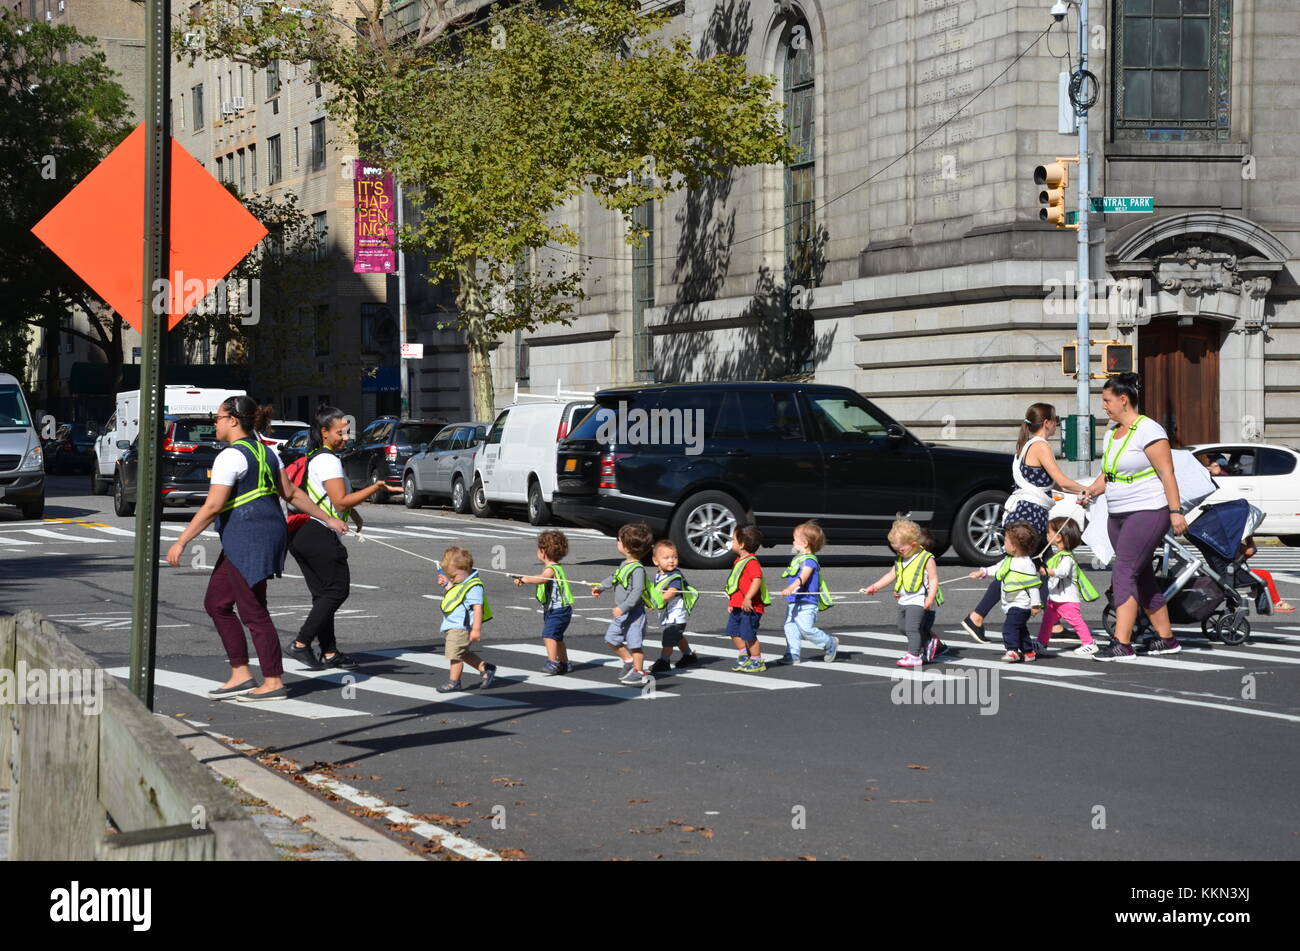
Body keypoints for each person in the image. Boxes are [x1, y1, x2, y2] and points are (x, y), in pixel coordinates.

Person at [165, 395, 347, 701]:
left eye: (218, 417)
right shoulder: (266, 452)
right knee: (217, 603)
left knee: (253, 610)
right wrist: (327, 517)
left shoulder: (231, 456)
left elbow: (213, 506)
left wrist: (182, 541)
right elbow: (291, 493)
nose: (215, 422)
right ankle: (241, 673)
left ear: (233, 420)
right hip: (260, 534)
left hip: (248, 538)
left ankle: (273, 680)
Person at [284, 404, 401, 670]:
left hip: (303, 534)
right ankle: (301, 643)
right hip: (318, 534)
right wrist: (375, 487)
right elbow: (339, 500)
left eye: (346, 432)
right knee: (337, 590)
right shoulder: (328, 460)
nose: (346, 437)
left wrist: (354, 514)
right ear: (324, 432)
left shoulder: (315, 456)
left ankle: (329, 652)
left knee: (322, 595)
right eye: (340, 432)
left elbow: (330, 499)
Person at [961, 404, 1091, 643]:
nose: (1056, 425)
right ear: (1047, 423)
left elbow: (1053, 484)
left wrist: (1078, 492)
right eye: (1056, 420)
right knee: (1028, 567)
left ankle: (1054, 624)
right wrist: (1087, 490)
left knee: (1040, 564)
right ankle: (977, 616)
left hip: (1024, 512)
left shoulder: (1025, 445)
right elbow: (1060, 480)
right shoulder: (1041, 446)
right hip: (1030, 515)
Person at [1080, 372, 1187, 661]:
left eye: (1107, 400)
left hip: (1149, 510)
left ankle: (1122, 643)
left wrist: (1176, 511)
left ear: (1123, 400)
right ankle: (1167, 639)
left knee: (1124, 571)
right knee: (1142, 578)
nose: (1103, 405)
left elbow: (1167, 473)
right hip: (1117, 513)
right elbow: (1110, 475)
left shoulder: (1149, 430)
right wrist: (1090, 491)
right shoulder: (1112, 433)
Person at [864, 519, 944, 667]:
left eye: (901, 549)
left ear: (913, 544)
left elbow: (933, 580)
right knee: (902, 627)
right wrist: (875, 587)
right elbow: (890, 575)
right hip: (904, 600)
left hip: (919, 600)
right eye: (896, 549)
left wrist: (930, 598)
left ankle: (914, 655)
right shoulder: (901, 559)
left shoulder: (926, 558)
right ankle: (930, 643)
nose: (898, 552)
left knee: (912, 628)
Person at [968, 521, 1042, 662]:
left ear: (1014, 547)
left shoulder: (1026, 564)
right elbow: (996, 568)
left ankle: (1012, 650)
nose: (1004, 544)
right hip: (1011, 603)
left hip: (1021, 605)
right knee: (1020, 629)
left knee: (1009, 627)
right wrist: (981, 572)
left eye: (1006, 541)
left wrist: (1036, 604)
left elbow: (1033, 585)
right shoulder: (1009, 560)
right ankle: (1028, 652)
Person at [591, 522, 655, 686]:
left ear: (627, 547)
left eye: (618, 540)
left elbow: (637, 591)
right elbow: (615, 577)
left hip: (634, 614)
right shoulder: (624, 564)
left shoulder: (637, 569)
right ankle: (628, 661)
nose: (617, 542)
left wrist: (623, 607)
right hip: (624, 613)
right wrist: (601, 587)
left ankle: (638, 672)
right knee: (611, 638)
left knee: (635, 644)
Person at [435, 546, 497, 692]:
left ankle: (454, 682)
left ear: (464, 569)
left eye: (453, 576)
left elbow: (477, 607)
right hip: (454, 625)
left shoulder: (474, 586)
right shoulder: (462, 582)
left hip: (461, 627)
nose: (452, 578)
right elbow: (458, 596)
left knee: (454, 655)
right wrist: (448, 585)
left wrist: (476, 629)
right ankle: (485, 668)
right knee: (462, 652)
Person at [1036, 515, 1101, 655]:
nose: (1046, 534)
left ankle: (1089, 642)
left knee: (1076, 621)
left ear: (1058, 537)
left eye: (1049, 532)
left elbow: (1062, 572)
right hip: (1055, 599)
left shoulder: (1067, 557)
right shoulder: (1059, 556)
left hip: (1067, 599)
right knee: (1047, 622)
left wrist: (1048, 571)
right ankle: (1041, 643)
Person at [513, 529, 575, 675]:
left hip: (558, 610)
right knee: (557, 638)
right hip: (557, 609)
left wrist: (525, 579)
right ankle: (565, 663)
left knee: (549, 635)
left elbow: (542, 578)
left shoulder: (551, 568)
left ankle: (553, 662)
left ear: (543, 551)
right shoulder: (554, 567)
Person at [778, 521, 838, 665]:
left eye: (795, 539)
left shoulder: (810, 561)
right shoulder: (799, 558)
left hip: (807, 602)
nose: (792, 542)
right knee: (790, 627)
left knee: (806, 629)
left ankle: (829, 643)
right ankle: (793, 654)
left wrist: (790, 588)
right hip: (794, 601)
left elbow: (803, 578)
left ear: (804, 543)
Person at [648, 540, 702, 673]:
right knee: (677, 637)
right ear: (656, 561)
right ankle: (689, 655)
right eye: (666, 558)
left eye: (675, 557)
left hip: (676, 615)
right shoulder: (659, 575)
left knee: (668, 638)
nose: (671, 561)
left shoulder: (675, 576)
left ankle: (664, 660)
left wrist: (656, 602)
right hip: (668, 614)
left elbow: (672, 591)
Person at [723, 525, 770, 672]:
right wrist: (732, 602)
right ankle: (744, 654)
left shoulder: (751, 562)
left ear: (742, 544)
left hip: (750, 607)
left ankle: (756, 660)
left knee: (749, 634)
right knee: (733, 632)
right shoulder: (739, 561)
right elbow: (736, 584)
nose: (731, 542)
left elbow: (757, 579)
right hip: (737, 605)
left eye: (733, 539)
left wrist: (748, 598)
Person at [1239, 538, 1294, 612]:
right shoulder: (1231, 543)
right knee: (1265, 574)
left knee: (1254, 573)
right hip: (1235, 574)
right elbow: (1250, 551)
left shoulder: (1223, 543)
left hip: (1228, 571)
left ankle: (1255, 591)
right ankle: (1277, 602)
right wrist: (1249, 538)